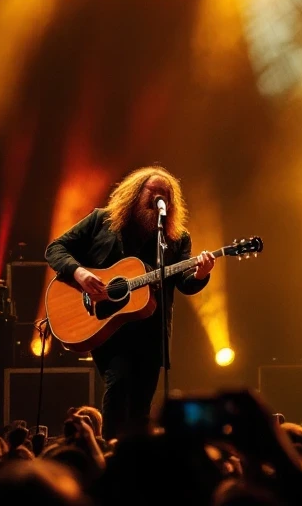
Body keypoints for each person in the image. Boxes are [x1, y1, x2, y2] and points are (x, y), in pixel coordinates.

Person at [45, 166, 216, 439]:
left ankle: (134, 464)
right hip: (105, 325)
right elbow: (55, 248)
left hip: (150, 333)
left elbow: (184, 283)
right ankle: (110, 453)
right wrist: (79, 272)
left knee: (141, 407)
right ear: (137, 192)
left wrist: (200, 273)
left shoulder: (176, 238)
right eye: (154, 191)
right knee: (120, 385)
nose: (160, 197)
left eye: (166, 194)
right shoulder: (101, 221)